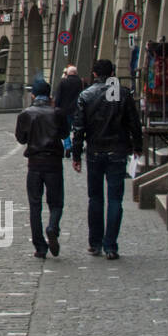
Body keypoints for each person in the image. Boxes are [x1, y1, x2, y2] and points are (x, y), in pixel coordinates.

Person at [71, 59, 143, 259]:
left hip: (94, 152)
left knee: (95, 198)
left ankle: (95, 244)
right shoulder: (124, 93)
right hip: (118, 151)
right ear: (112, 73)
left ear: (94, 74)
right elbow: (133, 123)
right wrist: (137, 146)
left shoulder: (86, 95)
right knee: (115, 199)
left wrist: (76, 155)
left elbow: (78, 129)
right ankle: (111, 245)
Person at [15, 80, 67, 258]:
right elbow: (65, 134)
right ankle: (52, 226)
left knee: (35, 205)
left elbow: (21, 139)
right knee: (56, 202)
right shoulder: (57, 112)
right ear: (49, 94)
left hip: (35, 164)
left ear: (33, 95)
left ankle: (40, 246)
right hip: (54, 163)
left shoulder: (26, 114)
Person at [56, 64, 84, 152]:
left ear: (68, 73)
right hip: (77, 109)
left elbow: (58, 96)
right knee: (77, 129)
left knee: (66, 129)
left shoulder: (63, 82)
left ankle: (67, 146)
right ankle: (76, 146)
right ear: (76, 73)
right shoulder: (80, 82)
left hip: (65, 110)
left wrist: (57, 108)